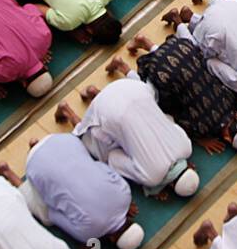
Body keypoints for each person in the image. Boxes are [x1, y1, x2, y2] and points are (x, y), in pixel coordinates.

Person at [63, 74, 200, 196]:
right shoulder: (153, 178)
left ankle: (97, 93)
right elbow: (114, 158)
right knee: (101, 153)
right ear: (170, 185)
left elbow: (170, 122)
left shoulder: (186, 148)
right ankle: (69, 113)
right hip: (107, 111)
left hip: (132, 89)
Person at [15, 134, 144, 249]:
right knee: (46, 218)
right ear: (113, 239)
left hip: (64, 140)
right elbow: (53, 214)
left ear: (131, 220)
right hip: (35, 165)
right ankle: (11, 174)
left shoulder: (126, 194)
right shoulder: (87, 234)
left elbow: (101, 166)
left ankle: (39, 145)